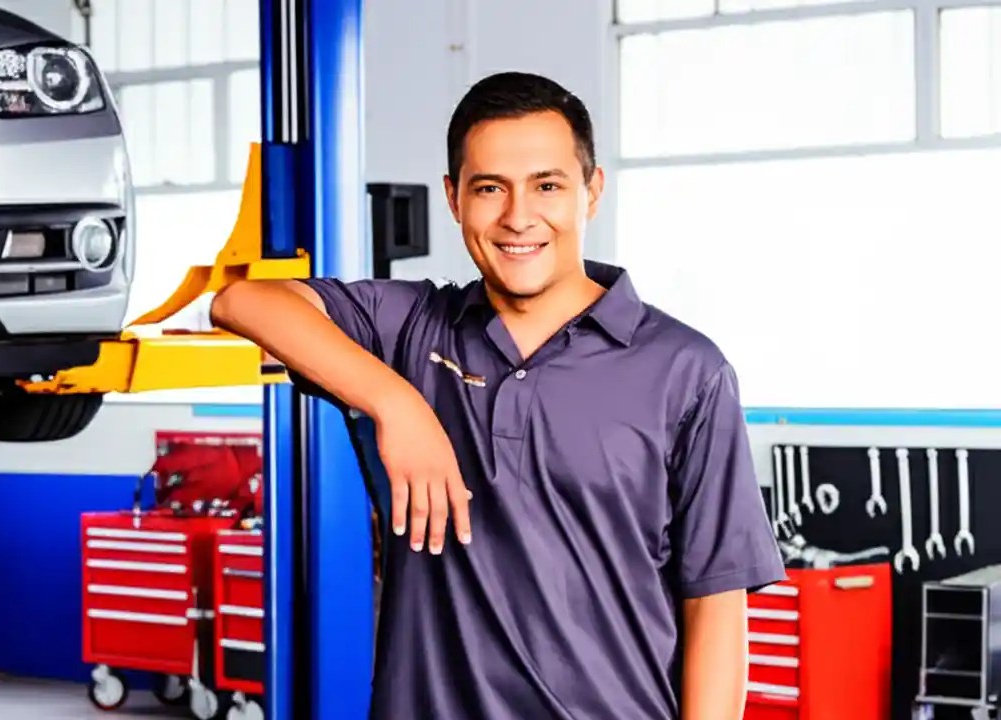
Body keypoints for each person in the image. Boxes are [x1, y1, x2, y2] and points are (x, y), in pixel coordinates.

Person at [210, 71, 785, 720]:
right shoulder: (412, 331)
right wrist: (397, 403)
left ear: (591, 192)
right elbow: (242, 301)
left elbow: (715, 599)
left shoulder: (685, 371)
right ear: (454, 198)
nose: (518, 217)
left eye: (547, 186)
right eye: (490, 189)